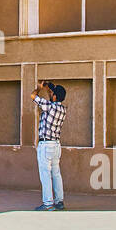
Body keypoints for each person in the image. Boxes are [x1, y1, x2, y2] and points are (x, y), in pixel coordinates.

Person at [30, 80, 66, 212]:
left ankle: (48, 203)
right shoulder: (62, 109)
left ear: (55, 96)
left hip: (46, 144)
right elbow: (52, 99)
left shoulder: (49, 107)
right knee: (56, 174)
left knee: (45, 174)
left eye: (51, 93)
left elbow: (33, 96)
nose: (50, 94)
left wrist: (39, 88)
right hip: (56, 144)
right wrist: (50, 87)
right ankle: (59, 201)